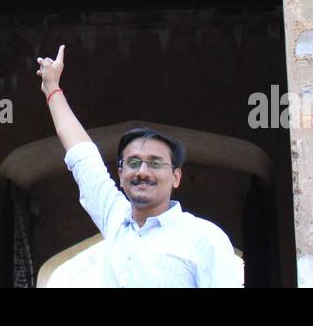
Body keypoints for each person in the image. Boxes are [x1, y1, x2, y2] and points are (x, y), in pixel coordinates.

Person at [37, 44, 245, 287]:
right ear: (121, 173)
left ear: (176, 176)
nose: (143, 172)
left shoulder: (204, 238)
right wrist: (52, 88)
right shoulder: (115, 220)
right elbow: (82, 155)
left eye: (155, 163)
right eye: (134, 163)